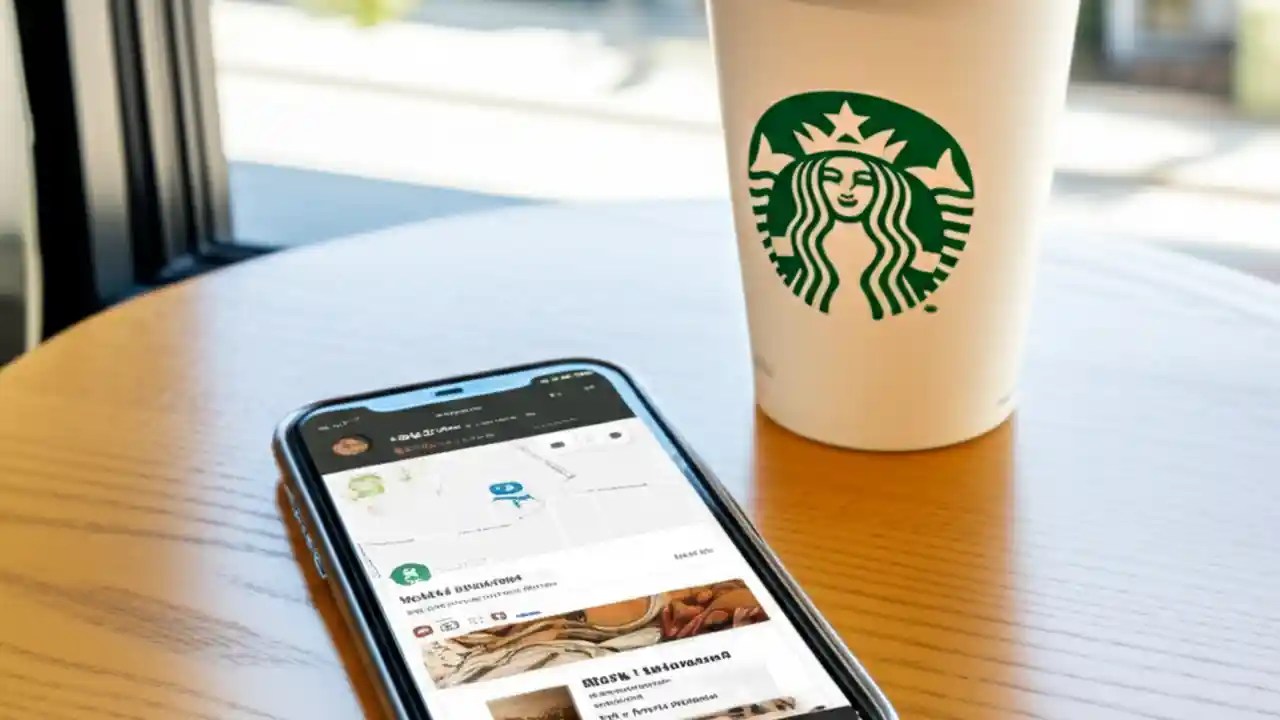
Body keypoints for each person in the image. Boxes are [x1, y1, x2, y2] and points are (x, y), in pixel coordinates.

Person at [767, 150, 944, 319]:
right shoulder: (791, 244)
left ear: (884, 188)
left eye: (863, 180)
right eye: (832, 177)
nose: (847, 188)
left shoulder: (910, 253)